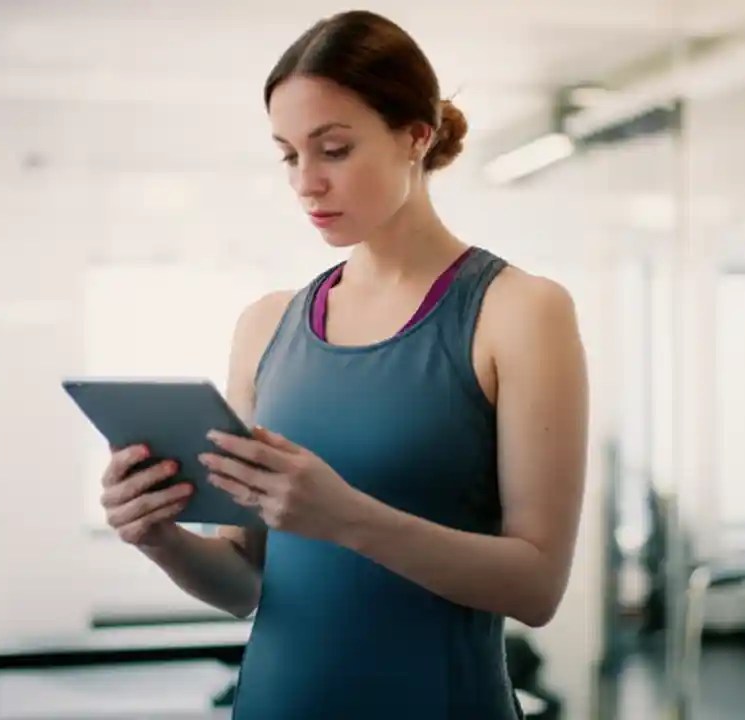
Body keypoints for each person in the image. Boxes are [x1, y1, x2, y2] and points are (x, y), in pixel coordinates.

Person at [97, 10, 589, 719]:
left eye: (333, 149)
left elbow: (537, 588)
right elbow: (245, 582)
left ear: (416, 135)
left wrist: (346, 517)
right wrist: (159, 537)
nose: (306, 183)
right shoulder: (265, 325)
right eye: (289, 155)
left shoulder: (520, 311)